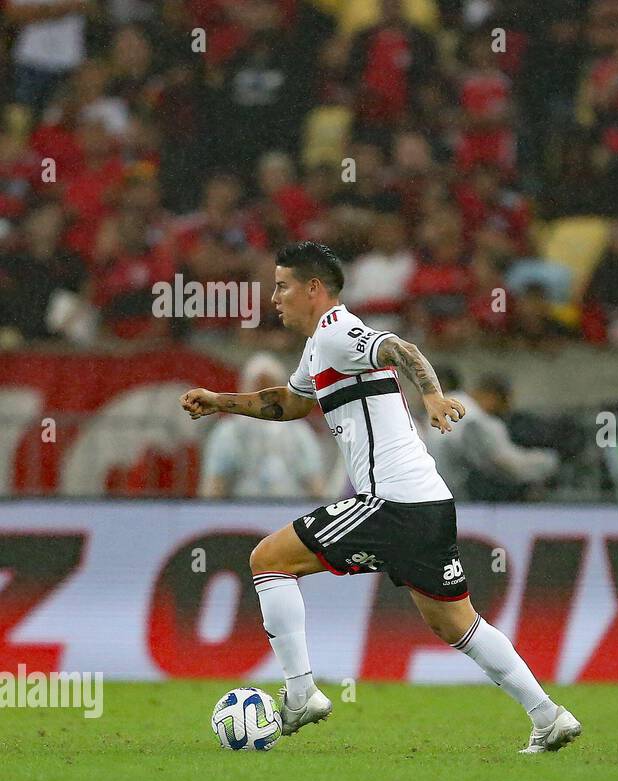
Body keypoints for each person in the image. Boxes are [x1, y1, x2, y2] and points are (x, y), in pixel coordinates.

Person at [179, 241, 581, 755]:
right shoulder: (318, 349)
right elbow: (289, 403)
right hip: (429, 503)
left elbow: (401, 349)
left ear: (313, 289)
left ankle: (300, 695)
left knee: (268, 561)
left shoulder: (338, 332)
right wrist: (221, 403)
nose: (274, 297)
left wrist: (431, 393)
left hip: (391, 502)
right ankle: (548, 716)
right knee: (455, 621)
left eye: (282, 286)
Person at [199, 353, 327, 500]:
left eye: (270, 387)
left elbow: (316, 486)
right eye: (259, 387)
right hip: (241, 516)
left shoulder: (299, 432)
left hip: (292, 513)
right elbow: (214, 486)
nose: (265, 396)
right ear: (245, 389)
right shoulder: (229, 432)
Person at [429, 368, 559, 500]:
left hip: (433, 487)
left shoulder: (451, 400)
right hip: (458, 495)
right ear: (491, 396)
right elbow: (508, 465)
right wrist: (548, 461)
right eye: (504, 402)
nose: (506, 409)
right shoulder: (478, 420)